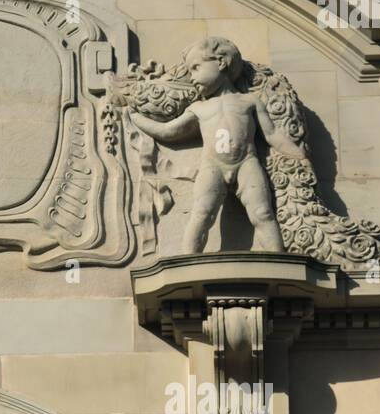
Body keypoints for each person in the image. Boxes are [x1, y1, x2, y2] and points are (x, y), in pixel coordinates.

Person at [128, 37, 304, 254]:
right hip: (212, 166)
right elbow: (168, 131)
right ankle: (188, 261)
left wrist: (300, 156)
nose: (192, 78)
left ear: (220, 63)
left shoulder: (249, 101)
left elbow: (272, 134)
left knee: (263, 213)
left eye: (195, 68)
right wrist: (135, 117)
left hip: (247, 164)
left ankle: (279, 260)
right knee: (202, 214)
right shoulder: (199, 108)